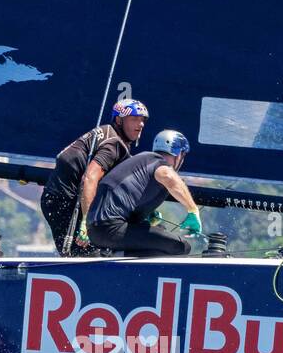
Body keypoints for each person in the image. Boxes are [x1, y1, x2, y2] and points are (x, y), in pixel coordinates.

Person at [41, 99, 149, 255]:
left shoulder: (109, 134)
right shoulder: (113, 144)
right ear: (119, 120)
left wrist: (143, 209)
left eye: (142, 120)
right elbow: (90, 178)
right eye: (134, 119)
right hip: (64, 202)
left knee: (92, 250)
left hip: (62, 199)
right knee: (85, 254)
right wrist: (87, 222)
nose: (141, 124)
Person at [86, 129, 202, 257]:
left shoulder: (144, 161)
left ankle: (115, 255)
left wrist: (146, 214)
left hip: (96, 231)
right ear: (179, 154)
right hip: (111, 229)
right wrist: (193, 210)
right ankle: (116, 255)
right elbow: (167, 175)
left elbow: (125, 193)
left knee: (160, 231)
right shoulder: (159, 163)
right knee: (181, 247)